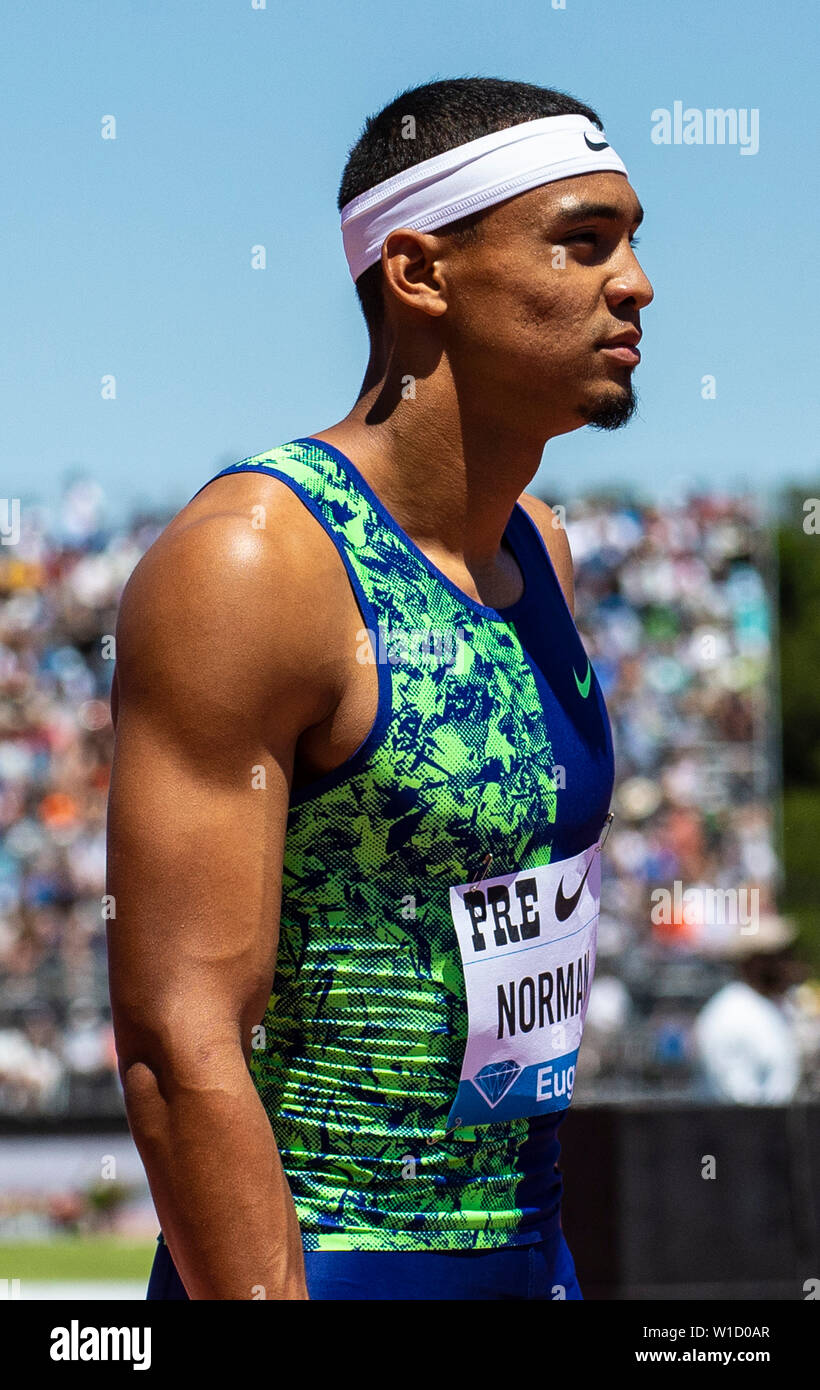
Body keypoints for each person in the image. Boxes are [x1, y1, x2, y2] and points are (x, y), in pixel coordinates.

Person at [106, 75, 652, 1301]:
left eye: (630, 241)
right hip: (327, 1267)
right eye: (583, 242)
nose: (635, 284)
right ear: (418, 273)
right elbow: (179, 1041)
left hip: (534, 1255)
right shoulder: (255, 563)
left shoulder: (539, 551)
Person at [692, 915, 803, 1104]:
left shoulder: (766, 1007)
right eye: (782, 956)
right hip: (739, 1123)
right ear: (756, 963)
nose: (790, 965)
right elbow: (741, 1103)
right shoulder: (729, 1015)